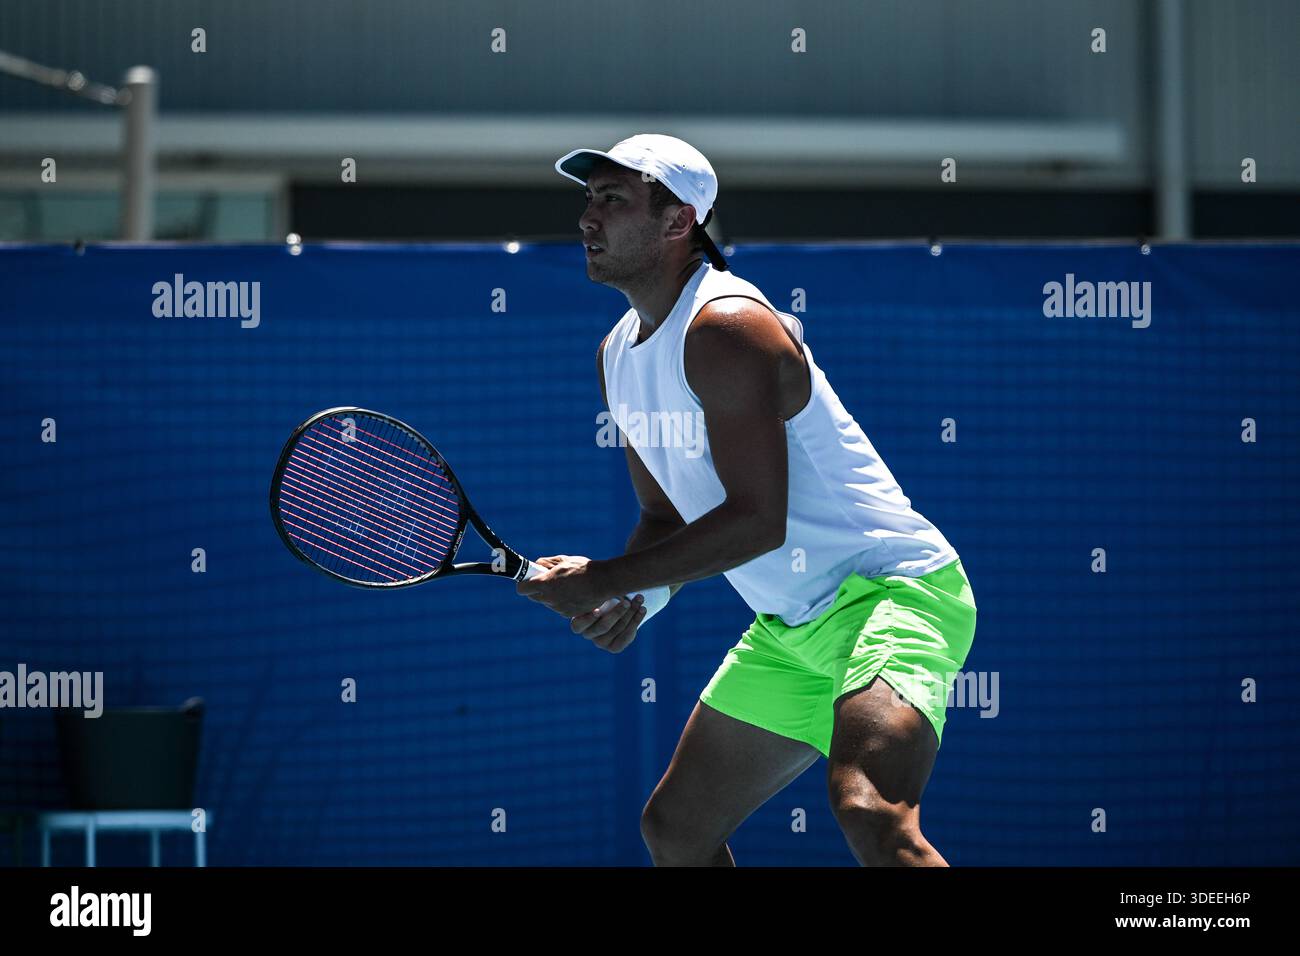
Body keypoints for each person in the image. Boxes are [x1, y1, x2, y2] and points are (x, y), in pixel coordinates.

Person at [519, 134, 977, 866]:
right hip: (792, 626)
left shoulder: (728, 327)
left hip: (894, 595)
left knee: (868, 809)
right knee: (677, 830)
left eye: (613, 199)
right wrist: (635, 600)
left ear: (679, 223)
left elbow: (758, 521)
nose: (587, 218)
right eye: (587, 199)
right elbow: (666, 517)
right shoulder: (616, 355)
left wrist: (604, 578)